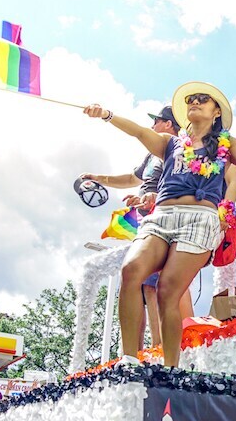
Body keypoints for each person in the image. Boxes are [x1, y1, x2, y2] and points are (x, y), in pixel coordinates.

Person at [83, 82, 236, 368]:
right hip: (161, 217)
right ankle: (130, 360)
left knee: (169, 290)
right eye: (191, 99)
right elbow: (139, 131)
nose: (194, 102)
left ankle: (171, 368)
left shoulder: (227, 145)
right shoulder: (170, 144)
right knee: (131, 270)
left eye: (202, 99)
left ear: (216, 111)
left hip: (200, 220)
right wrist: (107, 114)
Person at [81, 104, 193, 349]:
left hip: (166, 217)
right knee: (146, 285)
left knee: (170, 280)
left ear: (168, 125)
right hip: (146, 219)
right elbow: (133, 179)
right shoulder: (152, 155)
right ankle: (156, 346)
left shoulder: (178, 150)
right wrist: (100, 179)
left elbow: (179, 185)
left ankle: (184, 341)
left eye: (157, 120)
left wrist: (152, 198)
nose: (153, 125)